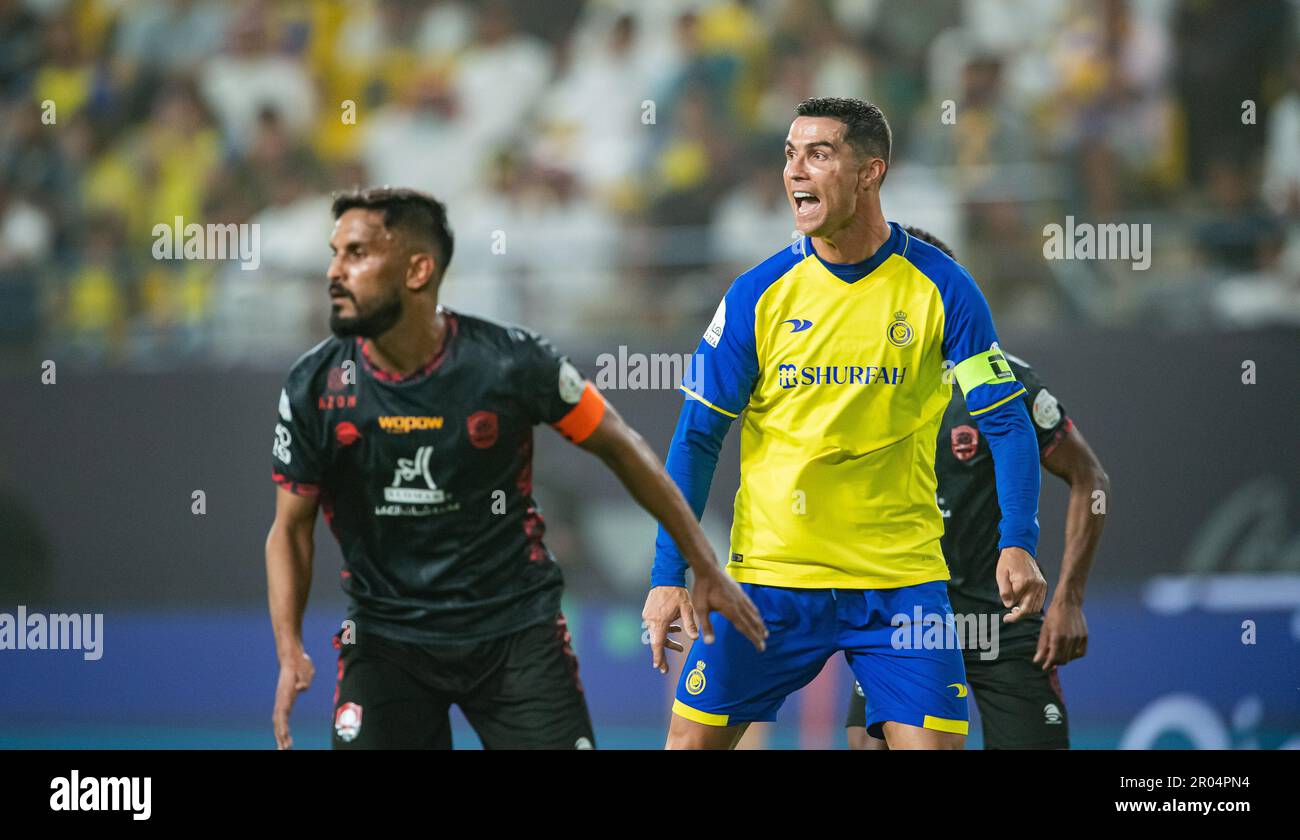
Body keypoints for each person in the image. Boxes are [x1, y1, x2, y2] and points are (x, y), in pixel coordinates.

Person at [266, 186, 765, 750]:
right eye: (334, 253)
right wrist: (289, 648)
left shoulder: (508, 362)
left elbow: (622, 448)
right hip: (385, 641)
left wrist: (699, 564)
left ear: (418, 270)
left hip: (514, 637)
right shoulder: (316, 386)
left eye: (356, 254)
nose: (334, 271)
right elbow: (290, 528)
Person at [643, 97, 1045, 750]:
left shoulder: (943, 288)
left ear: (870, 173)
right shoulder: (757, 295)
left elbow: (1007, 423)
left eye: (819, 154)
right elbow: (696, 438)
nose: (796, 172)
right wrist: (667, 576)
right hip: (771, 582)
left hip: (900, 586)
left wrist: (1018, 539)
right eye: (790, 155)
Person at [845, 227, 1109, 750]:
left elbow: (1089, 479)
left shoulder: (1006, 383)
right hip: (908, 618)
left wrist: (1069, 599)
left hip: (1001, 622)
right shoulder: (857, 386)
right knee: (866, 744)